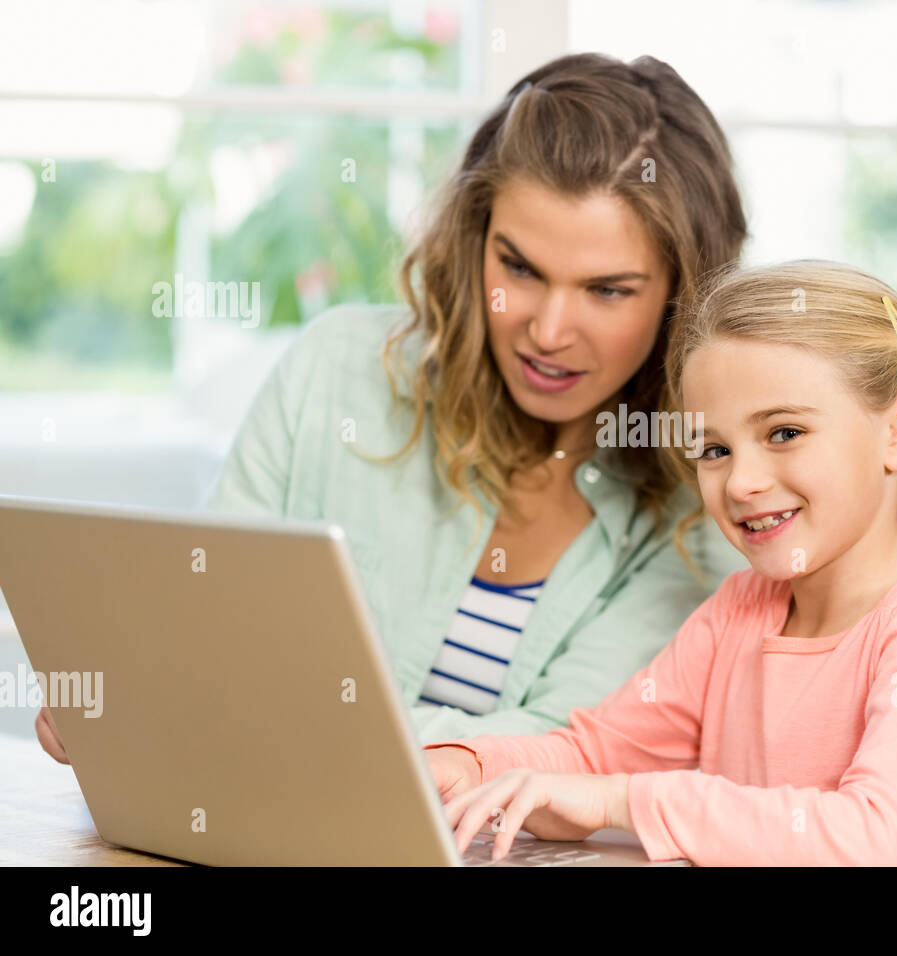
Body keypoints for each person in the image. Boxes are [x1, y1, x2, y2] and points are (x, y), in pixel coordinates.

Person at [34, 52, 749, 763]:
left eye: (607, 290)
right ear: (474, 239)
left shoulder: (714, 499)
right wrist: (133, 688)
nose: (548, 330)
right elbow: (208, 629)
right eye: (519, 267)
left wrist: (236, 711)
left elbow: (574, 745)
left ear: (683, 299)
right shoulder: (337, 371)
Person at [423, 260, 897, 866]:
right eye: (714, 450)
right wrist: (469, 765)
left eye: (784, 434)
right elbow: (592, 757)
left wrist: (625, 799)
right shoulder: (738, 614)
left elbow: (877, 838)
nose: (741, 482)